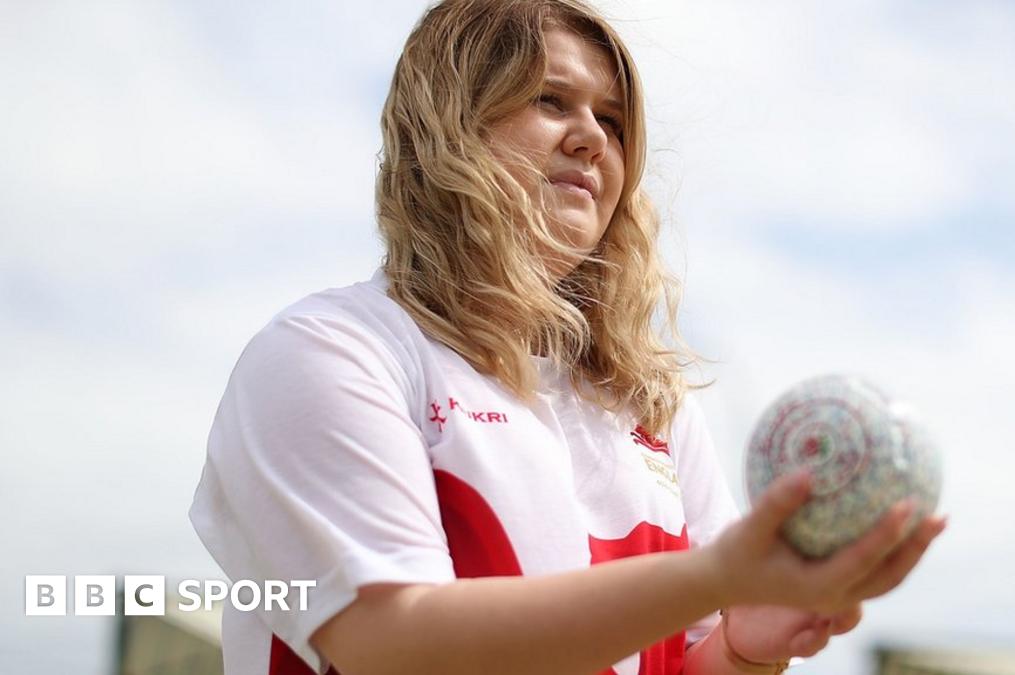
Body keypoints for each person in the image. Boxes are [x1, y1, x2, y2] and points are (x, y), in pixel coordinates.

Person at [187, 1, 949, 674]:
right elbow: (391, 642)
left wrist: (750, 644)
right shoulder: (331, 352)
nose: (593, 140)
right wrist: (717, 576)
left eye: (613, 122)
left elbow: (686, 658)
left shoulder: (652, 406)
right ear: (448, 125)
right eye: (553, 101)